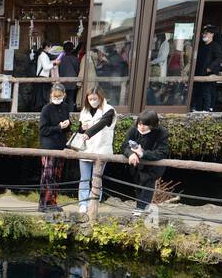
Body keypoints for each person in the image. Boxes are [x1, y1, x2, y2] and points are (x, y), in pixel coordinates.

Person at [71, 86, 117, 216]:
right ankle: (83, 204)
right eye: (90, 99)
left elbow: (102, 124)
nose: (92, 101)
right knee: (84, 178)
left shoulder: (109, 110)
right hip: (86, 148)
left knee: (96, 178)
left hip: (101, 149)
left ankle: (94, 203)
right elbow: (80, 130)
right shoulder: (85, 111)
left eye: (95, 98)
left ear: (100, 97)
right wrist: (83, 129)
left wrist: (88, 132)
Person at [120, 109, 169, 216]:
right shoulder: (134, 128)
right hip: (136, 164)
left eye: (145, 125)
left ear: (152, 125)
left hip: (152, 166)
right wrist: (130, 154)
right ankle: (140, 208)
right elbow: (124, 146)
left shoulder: (161, 132)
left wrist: (143, 154)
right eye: (140, 124)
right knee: (138, 186)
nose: (142, 127)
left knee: (147, 186)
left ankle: (141, 210)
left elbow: (162, 152)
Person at [37, 82, 73, 214]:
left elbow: (67, 127)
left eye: (59, 96)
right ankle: (43, 203)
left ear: (64, 95)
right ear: (51, 95)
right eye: (55, 96)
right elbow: (43, 130)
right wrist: (59, 127)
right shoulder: (46, 109)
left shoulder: (65, 107)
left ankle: (52, 202)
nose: (57, 98)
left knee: (57, 175)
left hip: (60, 145)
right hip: (48, 146)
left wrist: (68, 124)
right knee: (48, 174)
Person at [192, 24, 222, 111]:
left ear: (212, 34)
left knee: (207, 92)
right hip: (199, 72)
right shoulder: (202, 46)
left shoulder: (215, 46)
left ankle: (207, 109)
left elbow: (219, 58)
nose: (204, 35)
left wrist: (210, 68)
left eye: (207, 33)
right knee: (197, 91)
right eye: (204, 33)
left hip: (209, 73)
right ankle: (196, 108)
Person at [31, 40, 54, 114]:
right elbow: (46, 67)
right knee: (41, 97)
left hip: (42, 78)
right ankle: (41, 111)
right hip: (42, 78)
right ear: (47, 47)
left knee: (40, 96)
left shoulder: (43, 54)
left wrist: (52, 62)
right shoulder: (43, 55)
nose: (51, 49)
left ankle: (41, 111)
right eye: (50, 47)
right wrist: (54, 64)